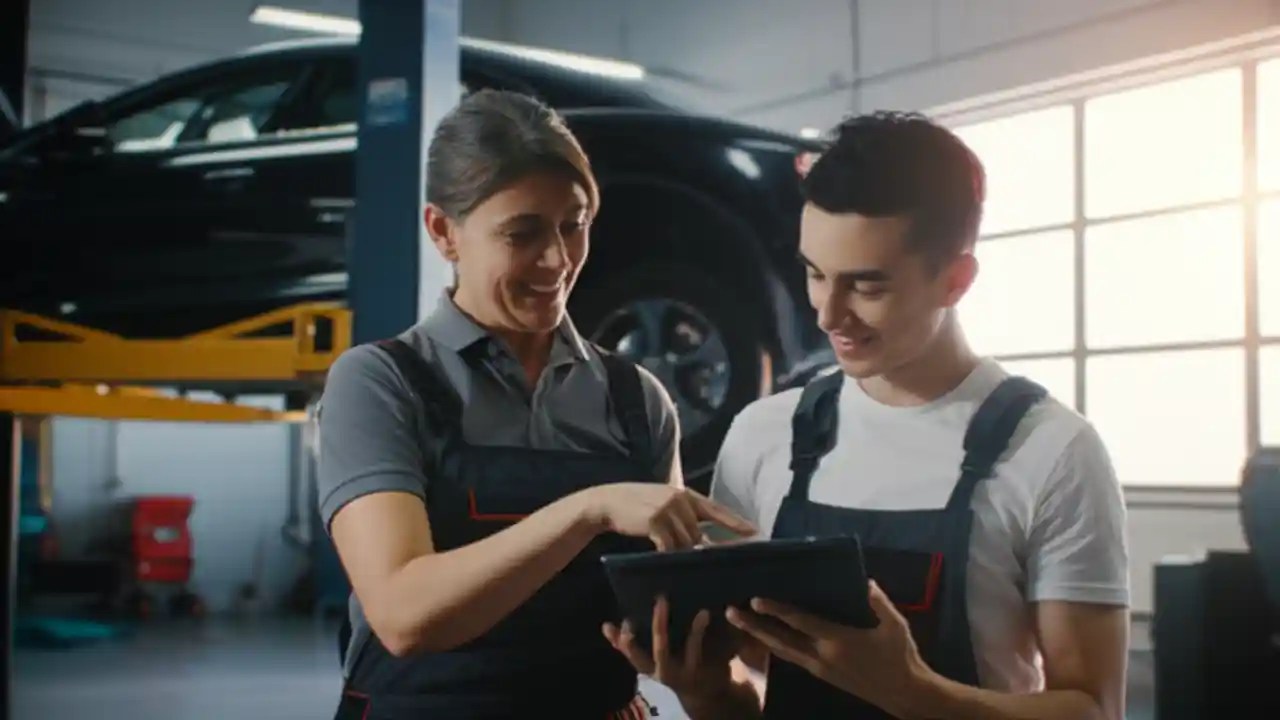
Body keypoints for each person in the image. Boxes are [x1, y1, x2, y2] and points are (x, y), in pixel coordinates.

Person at [605, 111, 1130, 719]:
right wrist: (704, 688)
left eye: (868, 286)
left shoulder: (1053, 453)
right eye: (815, 274)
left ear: (956, 279)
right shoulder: (762, 436)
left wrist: (909, 691)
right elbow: (751, 684)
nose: (829, 314)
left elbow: (1094, 709)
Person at [316, 89, 755, 720]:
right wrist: (588, 509)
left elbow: (663, 606)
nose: (557, 259)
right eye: (522, 233)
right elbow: (403, 615)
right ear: (443, 231)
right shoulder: (380, 385)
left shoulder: (636, 400)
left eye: (573, 226)